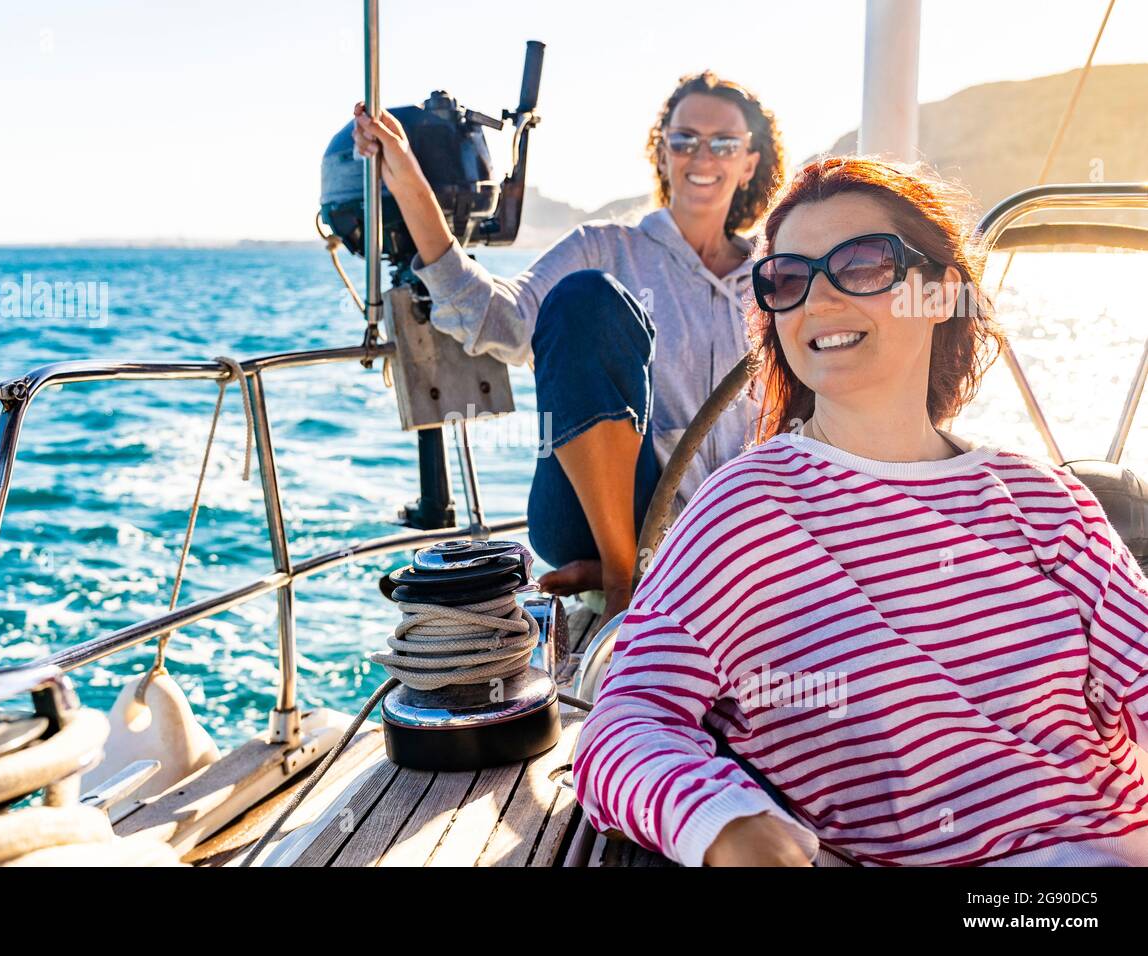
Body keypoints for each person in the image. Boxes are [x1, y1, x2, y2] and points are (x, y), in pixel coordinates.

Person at [573, 156, 1148, 867]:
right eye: (787, 279)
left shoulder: (1043, 500)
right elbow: (626, 723)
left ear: (940, 294)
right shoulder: (748, 511)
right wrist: (729, 827)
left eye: (864, 264)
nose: (818, 300)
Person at [351, 72, 784, 625]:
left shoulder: (776, 274)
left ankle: (677, 566)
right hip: (601, 520)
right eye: (685, 139)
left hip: (732, 535)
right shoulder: (603, 246)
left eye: (724, 143)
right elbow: (495, 319)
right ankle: (624, 581)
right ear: (663, 150)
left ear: (749, 160)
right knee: (585, 298)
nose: (703, 155)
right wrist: (410, 179)